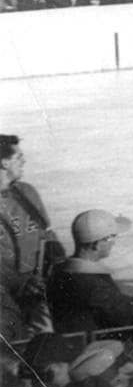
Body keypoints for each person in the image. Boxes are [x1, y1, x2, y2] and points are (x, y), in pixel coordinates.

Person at [1, 133, 64, 340]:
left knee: (45, 348)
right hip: (6, 298)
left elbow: (46, 233)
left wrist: (57, 259)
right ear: (3, 163)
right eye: (18, 157)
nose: (24, 161)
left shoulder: (27, 193)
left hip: (36, 291)